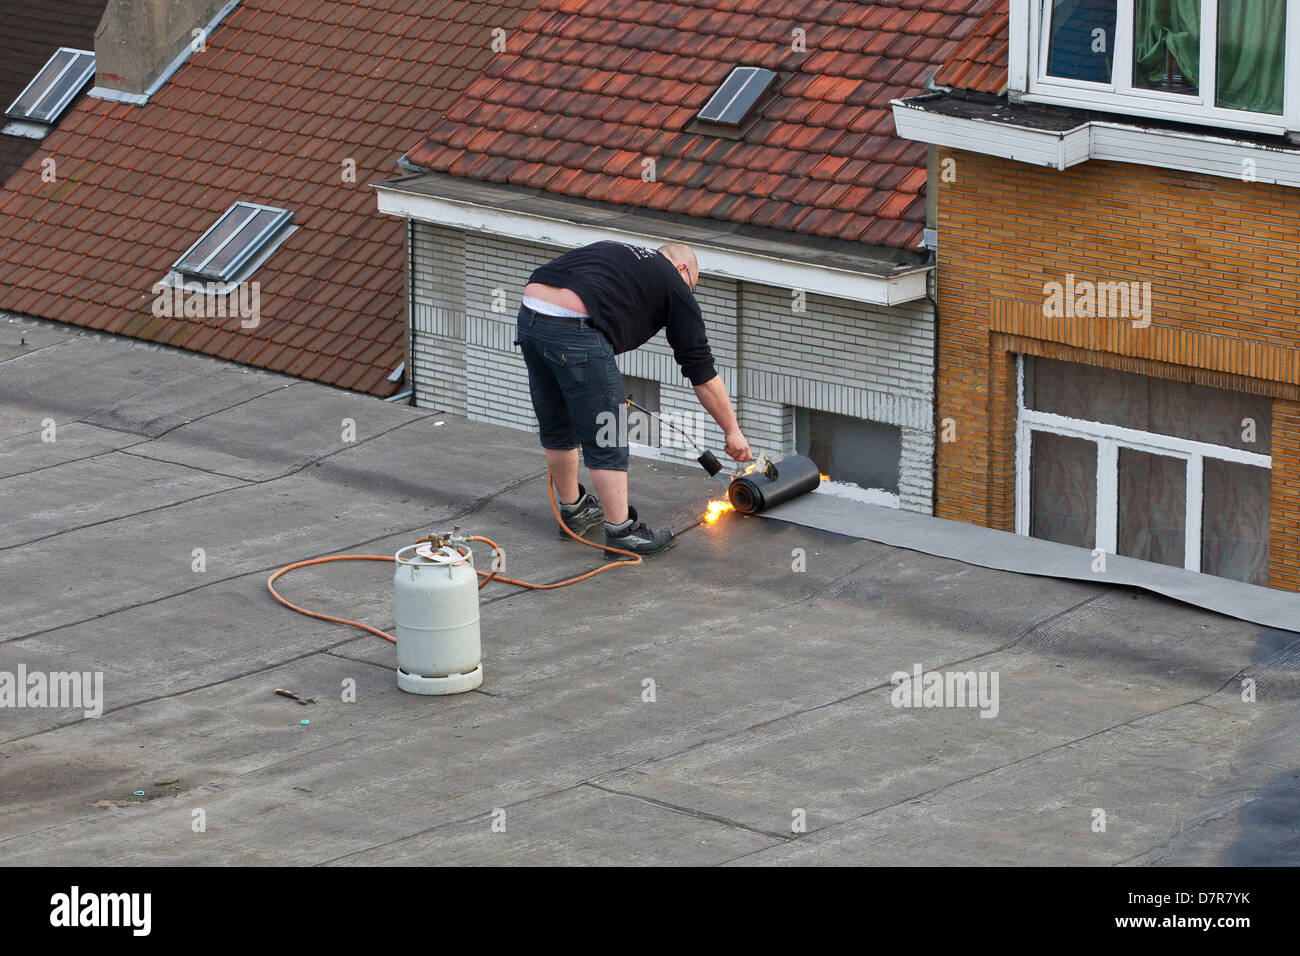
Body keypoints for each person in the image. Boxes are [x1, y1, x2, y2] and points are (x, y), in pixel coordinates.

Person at [516, 240, 751, 556]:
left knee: (558, 426)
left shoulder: (620, 253)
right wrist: (732, 431)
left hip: (530, 316)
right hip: (574, 329)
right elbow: (702, 373)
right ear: (682, 269)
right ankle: (622, 532)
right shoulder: (672, 281)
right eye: (691, 285)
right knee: (607, 434)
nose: (687, 294)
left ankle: (573, 510)